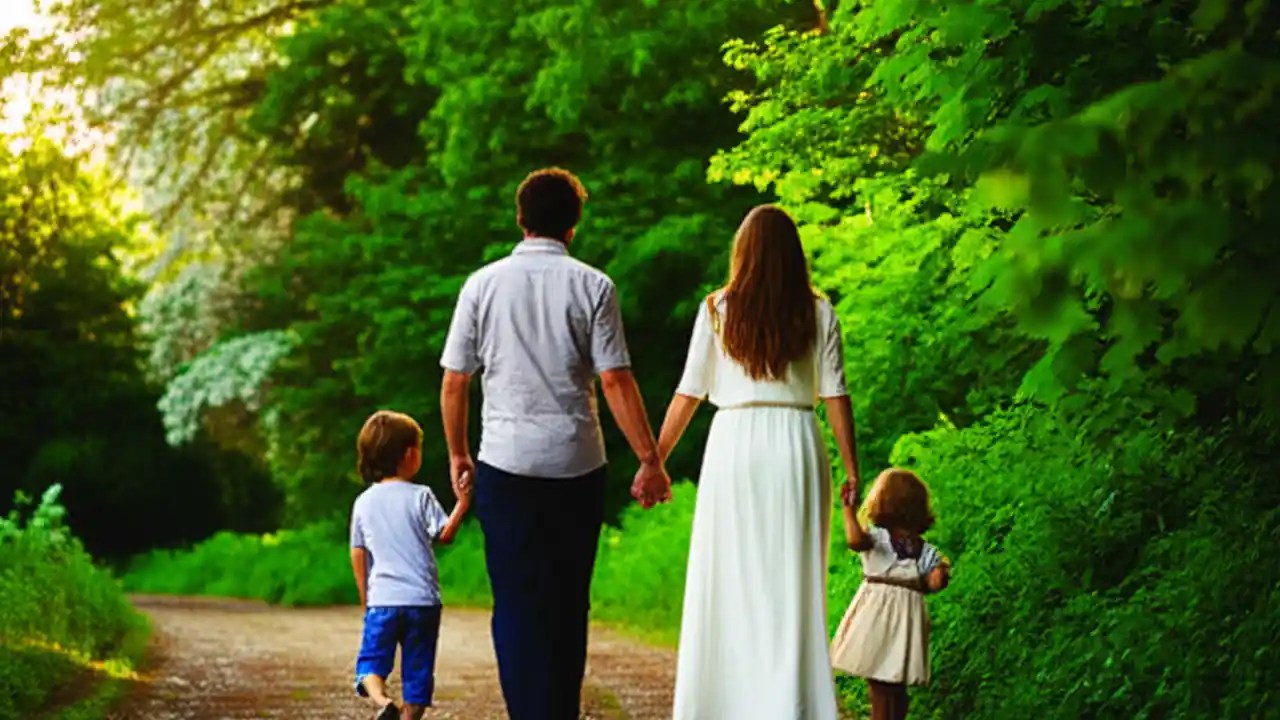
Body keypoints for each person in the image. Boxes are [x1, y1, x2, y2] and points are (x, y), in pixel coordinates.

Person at [439, 167, 671, 720]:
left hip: (506, 463)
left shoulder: (482, 284)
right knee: (568, 602)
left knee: (517, 604)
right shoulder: (594, 286)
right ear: (574, 224)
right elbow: (615, 380)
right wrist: (649, 459)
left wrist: (457, 453)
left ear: (520, 219)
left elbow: (454, 380)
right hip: (577, 466)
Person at [653, 204, 857, 719]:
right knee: (792, 580)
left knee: (730, 576)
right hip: (794, 441)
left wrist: (653, 459)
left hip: (735, 445)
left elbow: (689, 392)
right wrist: (852, 468)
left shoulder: (717, 309)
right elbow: (835, 394)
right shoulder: (817, 311)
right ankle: (791, 705)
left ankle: (722, 704)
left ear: (741, 252)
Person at [349, 410, 472, 720]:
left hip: (383, 601)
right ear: (409, 454)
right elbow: (445, 535)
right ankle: (404, 714)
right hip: (422, 602)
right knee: (417, 680)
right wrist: (463, 503)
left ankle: (382, 702)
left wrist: (366, 597)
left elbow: (358, 553)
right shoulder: (421, 496)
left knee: (371, 666)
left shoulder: (364, 502)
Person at [829, 468, 951, 720]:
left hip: (902, 618)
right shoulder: (878, 538)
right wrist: (848, 512)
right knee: (882, 686)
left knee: (895, 687)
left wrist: (938, 576)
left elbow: (932, 581)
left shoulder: (920, 547)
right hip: (879, 616)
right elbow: (855, 540)